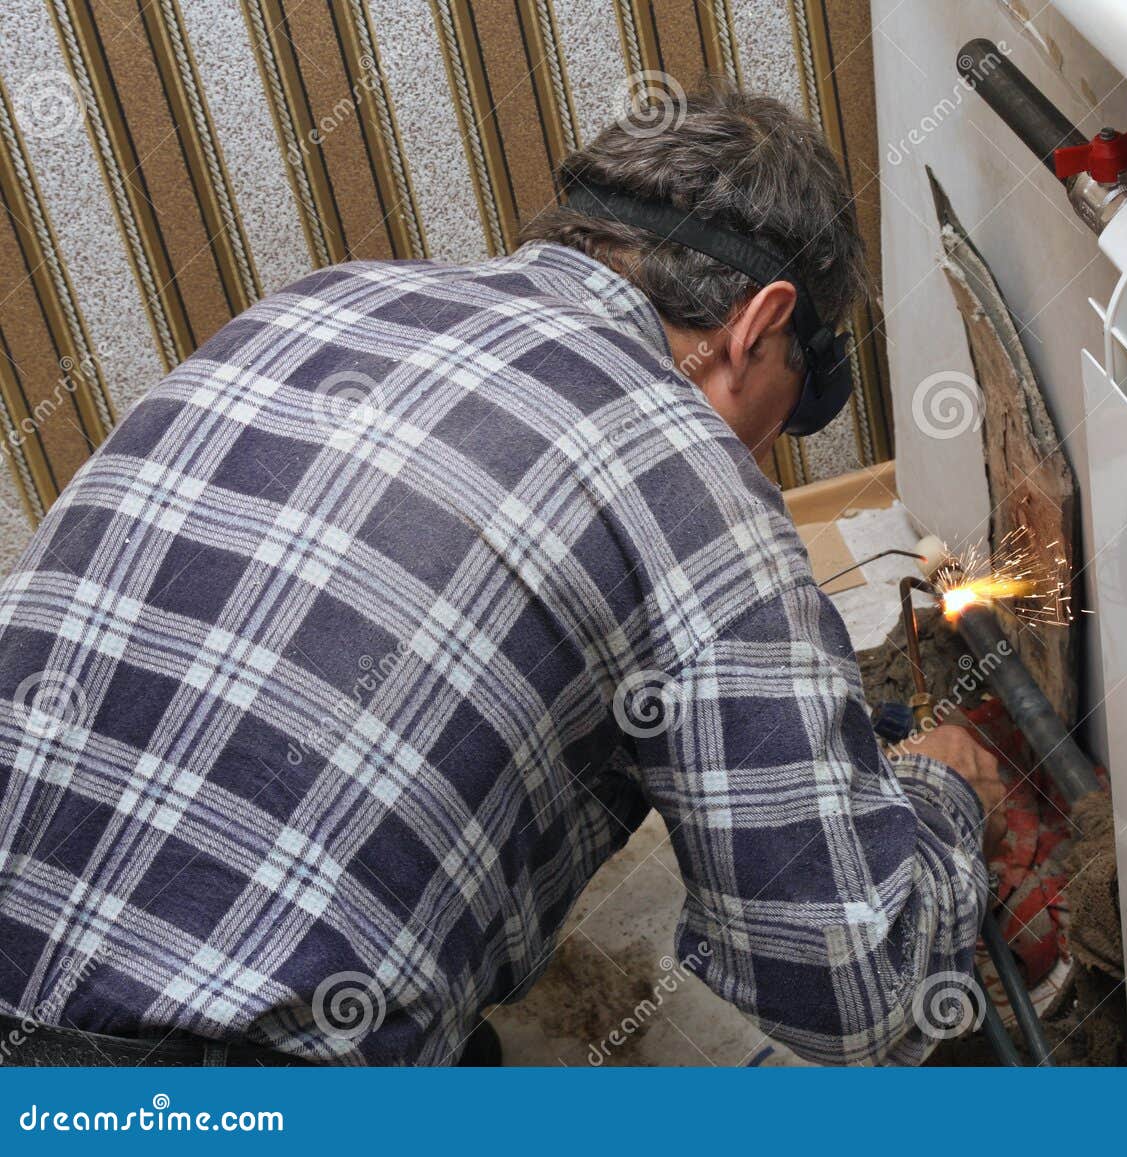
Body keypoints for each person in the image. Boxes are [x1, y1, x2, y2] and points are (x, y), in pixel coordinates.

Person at [0, 83, 1003, 1066]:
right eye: (798, 397)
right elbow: (848, 990)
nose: (768, 454)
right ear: (758, 324)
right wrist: (942, 789)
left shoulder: (323, 300)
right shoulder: (680, 467)